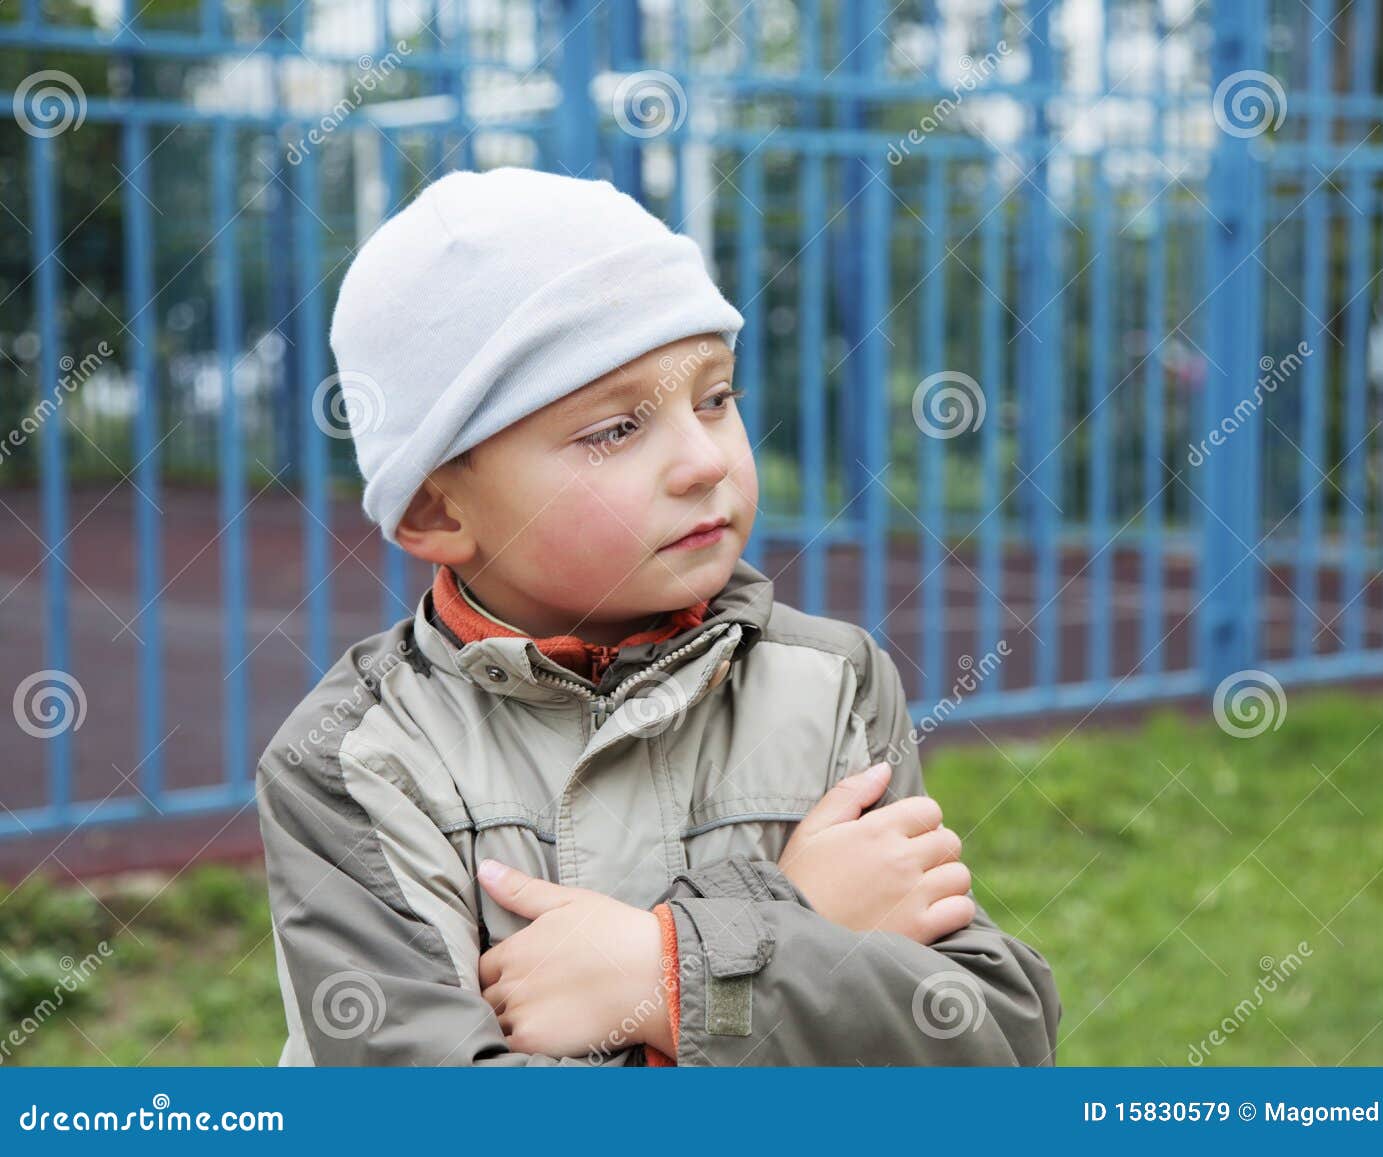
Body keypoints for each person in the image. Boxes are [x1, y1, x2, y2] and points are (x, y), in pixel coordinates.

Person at [255, 166, 1060, 1066]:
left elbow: (993, 1042)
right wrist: (782, 930)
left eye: (714, 398)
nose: (704, 461)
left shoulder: (831, 682)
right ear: (440, 511)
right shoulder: (354, 761)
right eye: (615, 430)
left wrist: (667, 974)